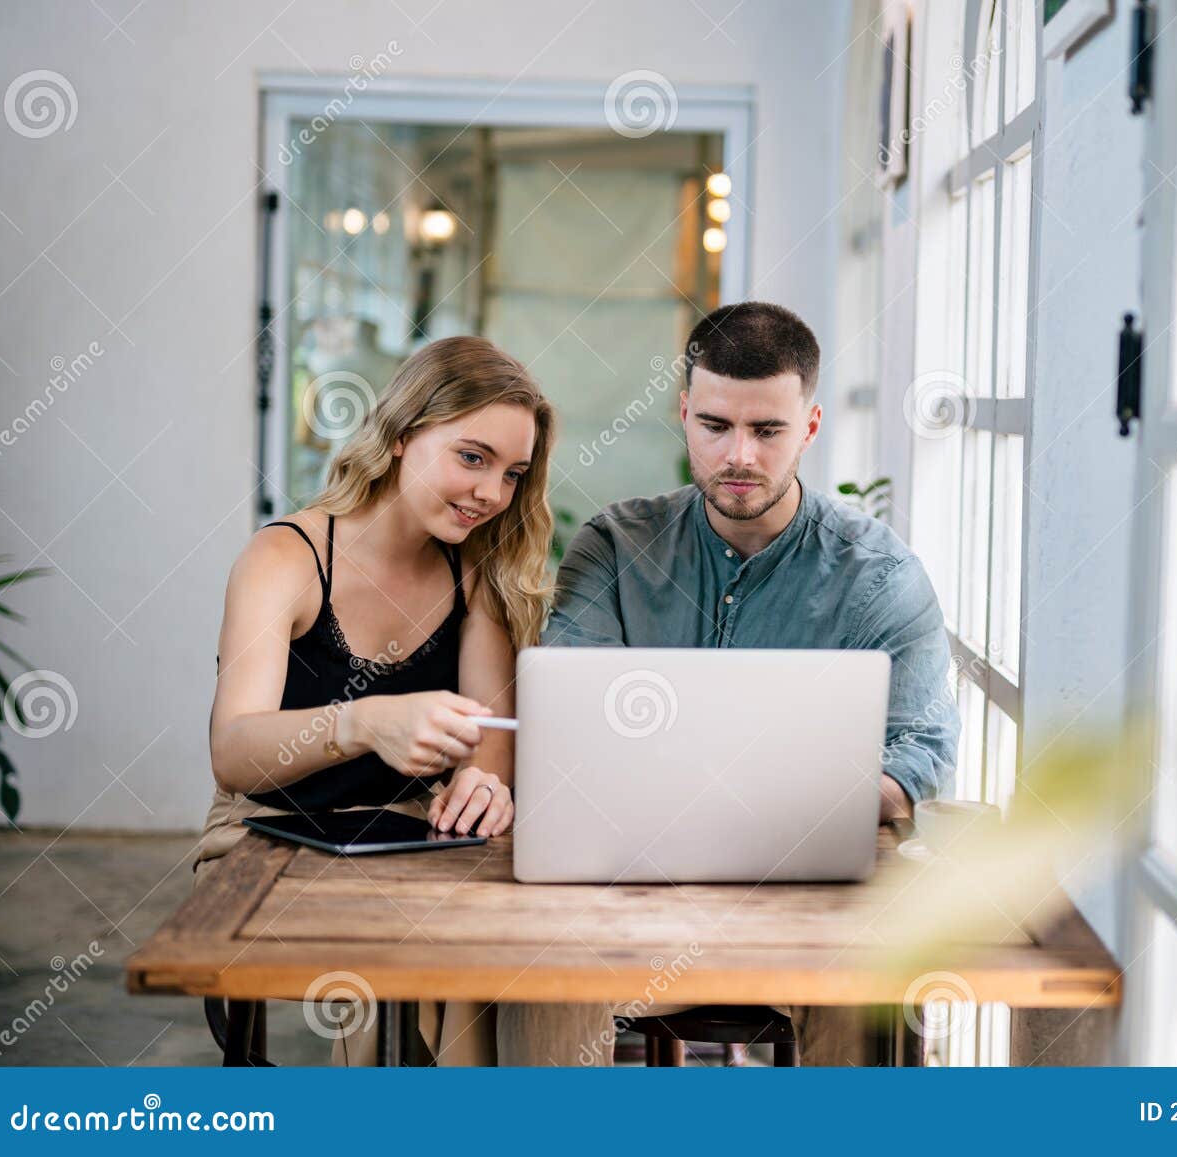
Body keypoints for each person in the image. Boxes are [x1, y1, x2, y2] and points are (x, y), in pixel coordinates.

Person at [498, 301, 958, 1065]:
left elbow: (921, 761)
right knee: (545, 979)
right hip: (628, 906)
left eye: (768, 430)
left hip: (806, 914)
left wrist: (752, 798)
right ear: (684, 415)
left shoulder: (881, 578)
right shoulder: (614, 545)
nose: (738, 454)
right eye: (715, 426)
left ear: (809, 427)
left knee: (866, 991)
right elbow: (569, 740)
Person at [202, 335, 555, 1066]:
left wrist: (483, 786)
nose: (492, 492)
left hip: (406, 835)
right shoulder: (286, 559)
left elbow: (490, 751)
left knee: (486, 945)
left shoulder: (478, 576)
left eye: (513, 473)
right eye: (472, 456)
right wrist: (361, 721)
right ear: (400, 437)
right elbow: (233, 752)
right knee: (405, 954)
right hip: (267, 834)